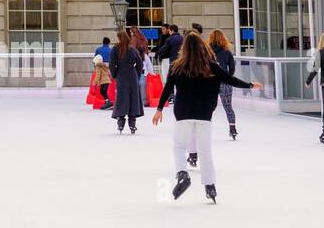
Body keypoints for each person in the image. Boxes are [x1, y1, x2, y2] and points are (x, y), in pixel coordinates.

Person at [153, 31, 259, 203]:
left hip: (183, 113)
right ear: (203, 47)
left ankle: (182, 173)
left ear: (184, 49)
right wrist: (250, 85)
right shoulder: (212, 66)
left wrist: (159, 109)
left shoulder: (177, 66)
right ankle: (210, 187)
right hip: (204, 114)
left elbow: (168, 88)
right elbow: (230, 79)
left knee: (179, 146)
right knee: (206, 152)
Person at [109, 29, 144, 134]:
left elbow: (112, 64)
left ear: (119, 38)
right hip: (132, 75)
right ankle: (132, 123)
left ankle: (120, 122)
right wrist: (137, 75)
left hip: (121, 75)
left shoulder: (115, 49)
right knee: (133, 98)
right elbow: (140, 64)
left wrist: (115, 74)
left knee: (121, 98)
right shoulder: (132, 49)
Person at [207, 29, 239, 140]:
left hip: (211, 83)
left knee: (210, 106)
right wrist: (227, 77)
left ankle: (205, 127)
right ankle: (232, 128)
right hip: (225, 83)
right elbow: (232, 68)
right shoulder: (227, 52)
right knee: (228, 106)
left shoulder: (207, 52)